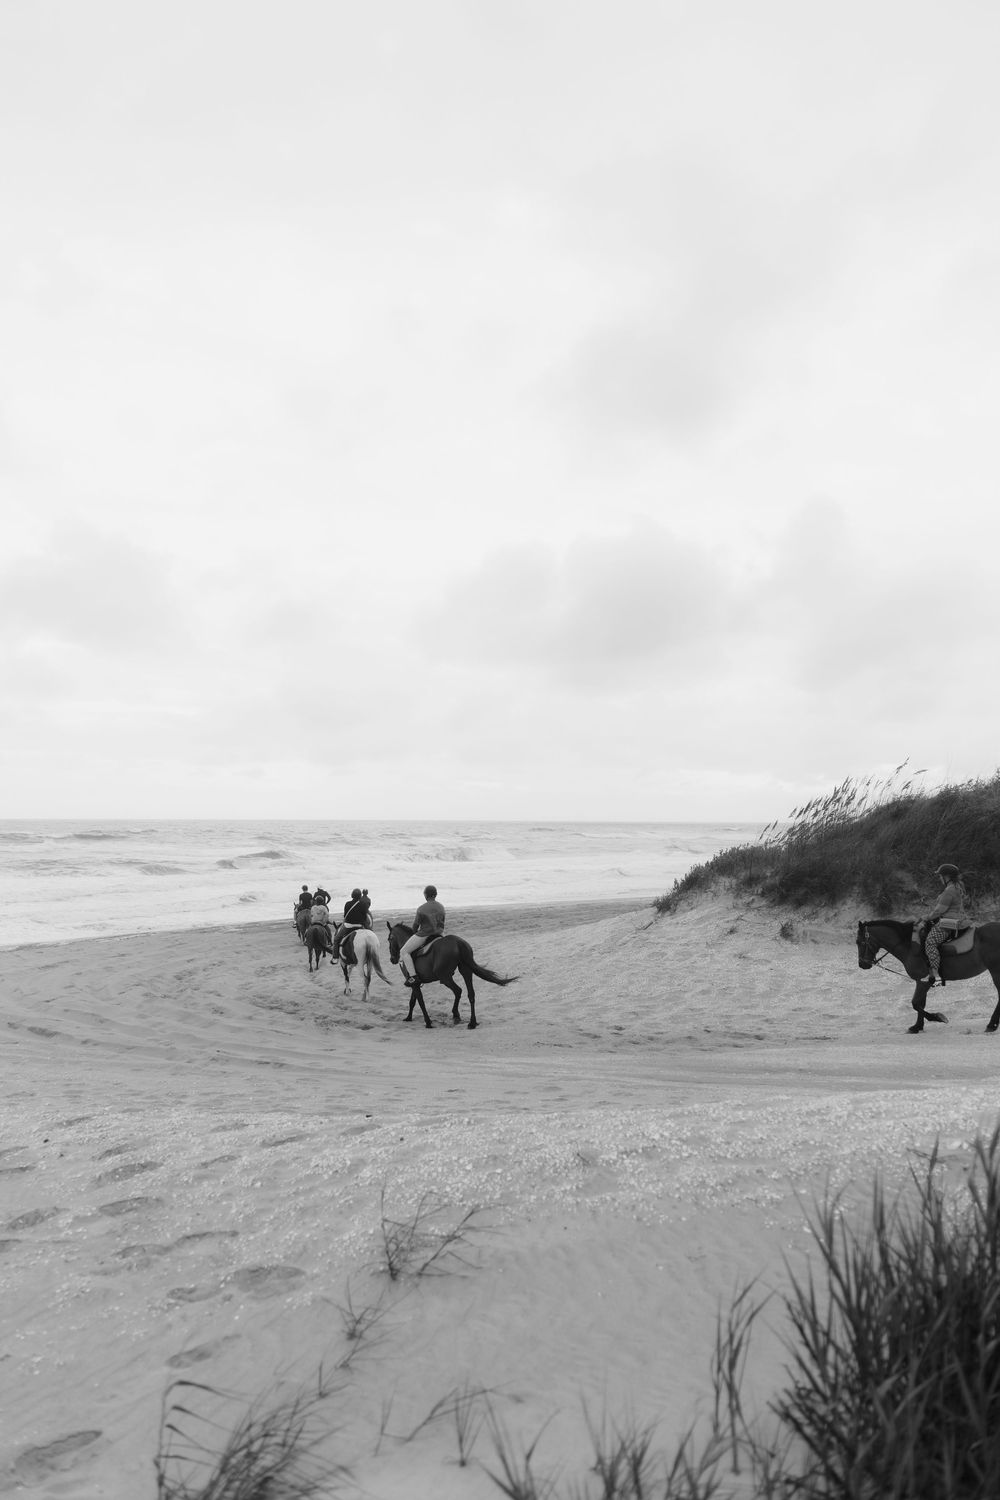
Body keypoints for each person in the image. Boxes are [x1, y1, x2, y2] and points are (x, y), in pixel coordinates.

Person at [915, 863, 968, 986]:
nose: (939, 878)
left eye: (941, 876)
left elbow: (939, 911)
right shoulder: (957, 886)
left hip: (949, 922)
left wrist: (925, 917)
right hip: (958, 918)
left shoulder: (949, 890)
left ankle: (937, 975)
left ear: (947, 877)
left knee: (930, 942)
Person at [399, 884, 446, 985]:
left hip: (425, 934)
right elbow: (442, 922)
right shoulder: (441, 907)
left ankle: (413, 977)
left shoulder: (421, 908)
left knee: (404, 951)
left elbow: (415, 926)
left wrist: (413, 932)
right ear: (436, 895)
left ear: (425, 895)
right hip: (440, 934)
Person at [332, 887, 372, 962]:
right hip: (360, 926)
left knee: (336, 939)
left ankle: (335, 958)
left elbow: (345, 916)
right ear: (360, 896)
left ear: (352, 895)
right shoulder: (364, 904)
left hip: (348, 926)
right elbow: (365, 916)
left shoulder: (347, 904)